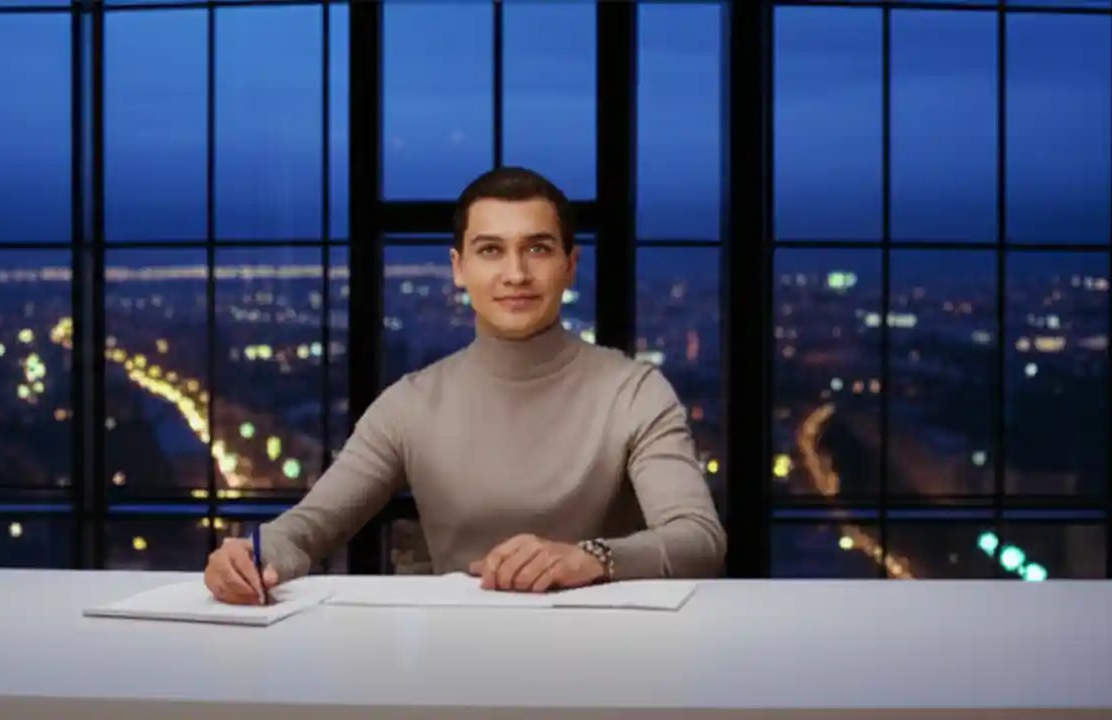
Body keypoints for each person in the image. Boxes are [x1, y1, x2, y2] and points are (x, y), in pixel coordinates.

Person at [204, 166, 726, 604]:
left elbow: (699, 539)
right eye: (491, 250)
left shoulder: (635, 392)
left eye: (538, 249)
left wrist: (590, 558)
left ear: (570, 266)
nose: (516, 273)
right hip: (452, 660)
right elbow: (309, 527)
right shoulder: (411, 404)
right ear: (459, 268)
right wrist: (252, 555)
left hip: (614, 660)